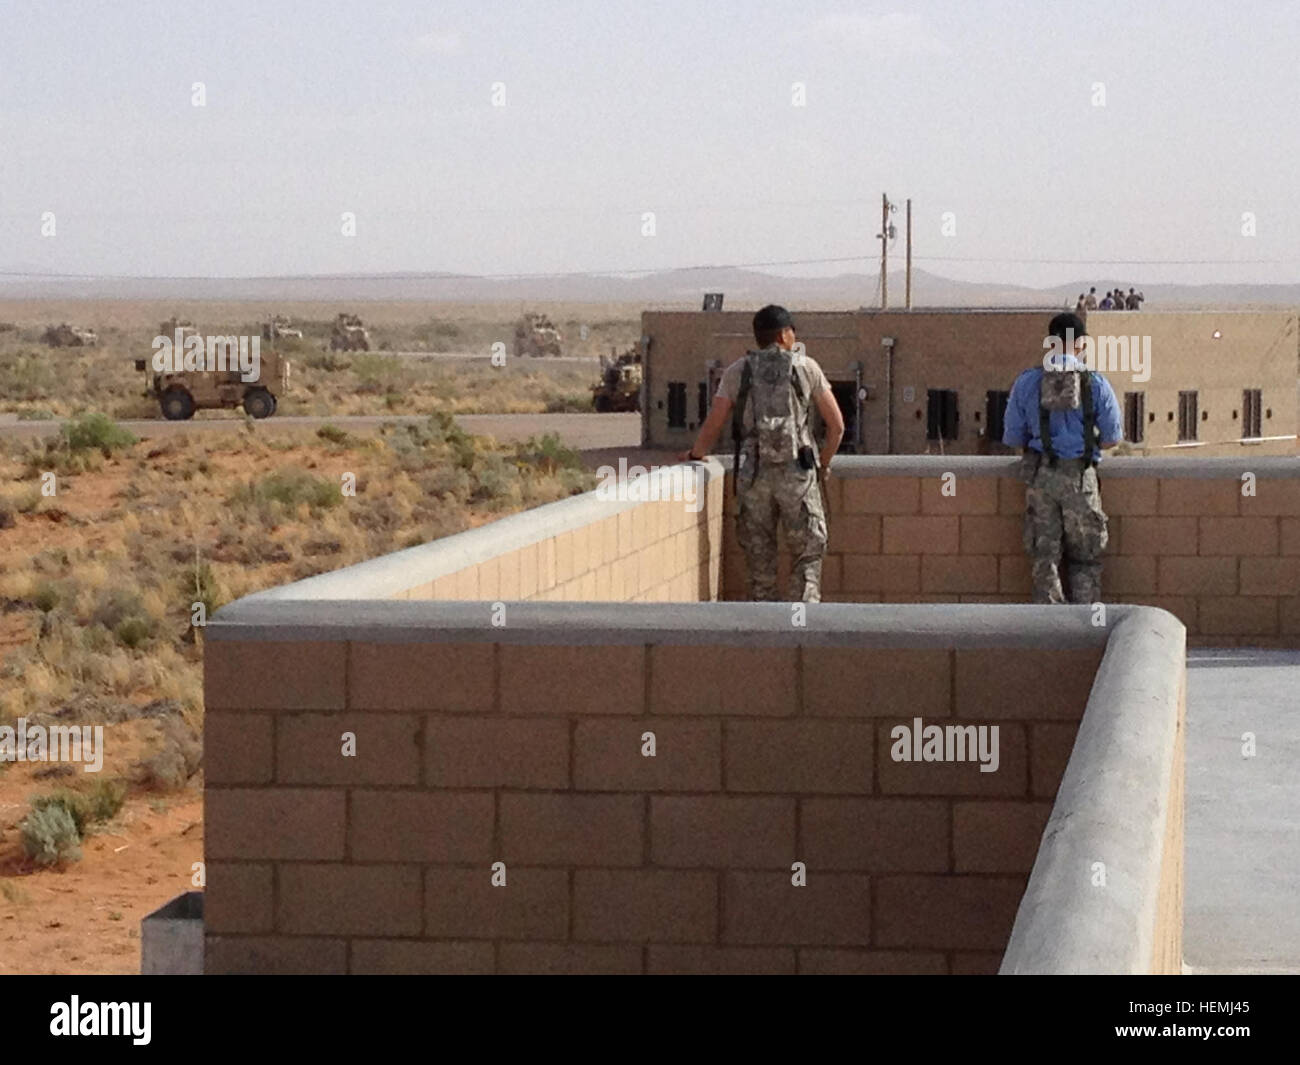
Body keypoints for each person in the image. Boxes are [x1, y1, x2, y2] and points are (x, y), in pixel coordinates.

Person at [679, 304, 843, 601]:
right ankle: (801, 628)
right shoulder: (806, 368)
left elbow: (714, 424)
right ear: (783, 335)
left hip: (753, 478)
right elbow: (837, 427)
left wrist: (695, 454)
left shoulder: (737, 372)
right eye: (792, 330)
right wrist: (823, 465)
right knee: (807, 555)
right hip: (799, 477)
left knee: (759, 562)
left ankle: (765, 634)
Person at [1001, 312, 1123, 603]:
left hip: (1041, 478)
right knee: (1086, 557)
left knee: (1045, 559)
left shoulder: (1026, 382)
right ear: (1081, 344)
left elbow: (1013, 437)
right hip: (1081, 478)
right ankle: (1085, 631)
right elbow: (1112, 438)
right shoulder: (1096, 384)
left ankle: (1049, 634)